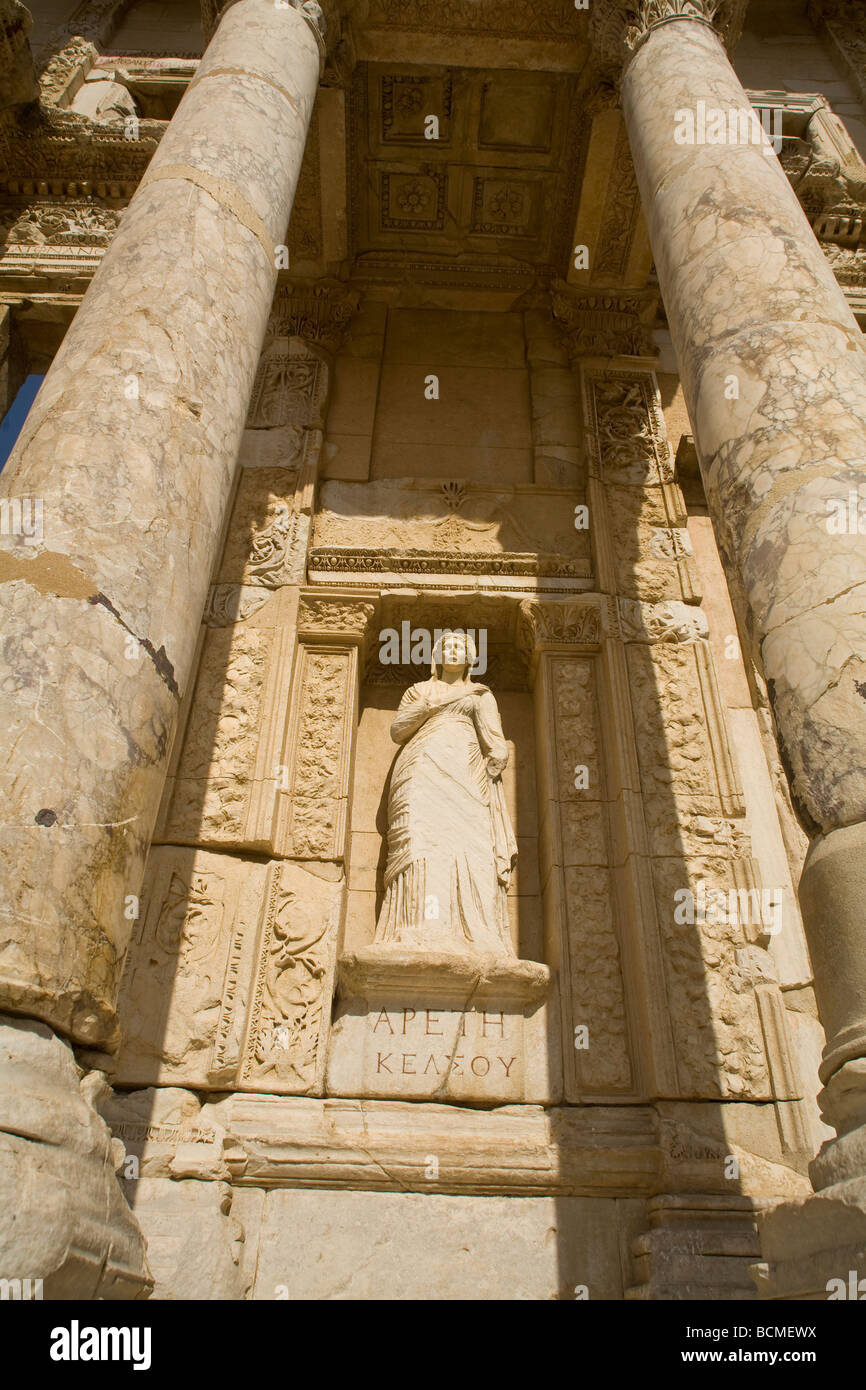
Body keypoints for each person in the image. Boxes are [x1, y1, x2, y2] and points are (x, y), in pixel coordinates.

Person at [374, 629, 517, 954]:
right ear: (436, 655)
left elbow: (495, 742)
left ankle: (477, 931)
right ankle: (414, 928)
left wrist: (496, 759)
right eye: (447, 646)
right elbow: (398, 731)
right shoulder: (419, 690)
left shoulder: (480, 695)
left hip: (465, 774)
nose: (453, 651)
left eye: (459, 647)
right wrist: (426, 706)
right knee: (419, 840)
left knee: (471, 843)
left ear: (469, 657)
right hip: (419, 771)